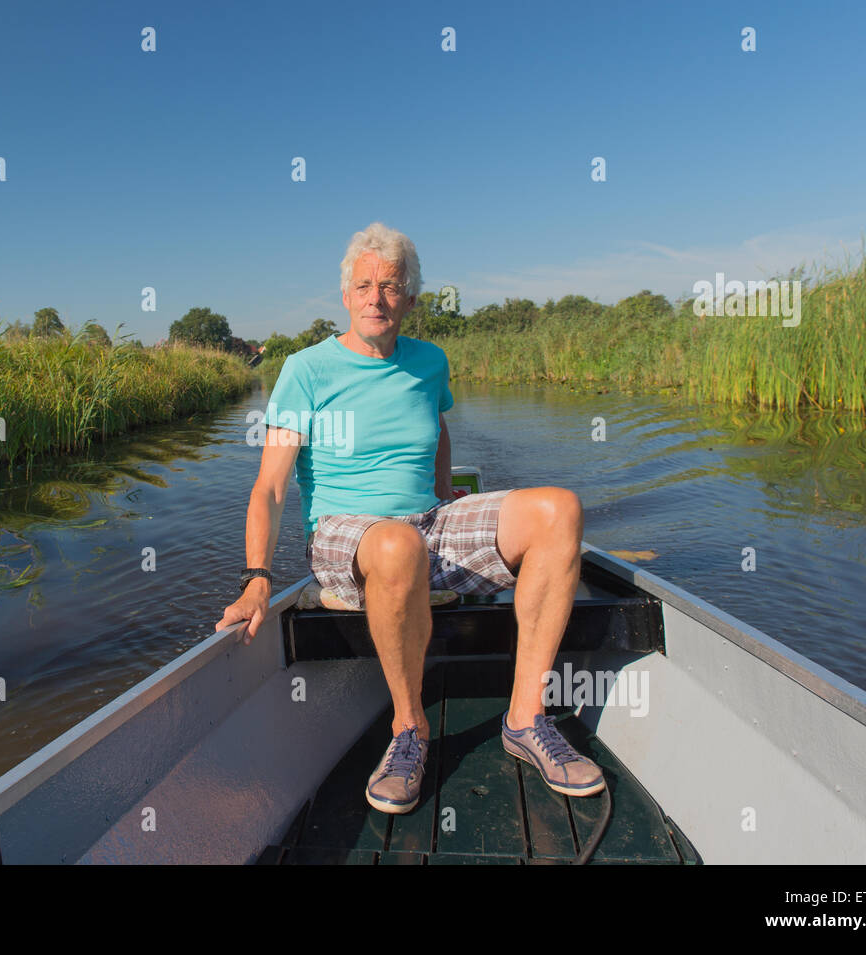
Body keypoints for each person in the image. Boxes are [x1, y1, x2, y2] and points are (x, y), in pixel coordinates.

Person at [215, 222, 604, 814]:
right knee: (398, 545)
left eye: (391, 286)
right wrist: (256, 578)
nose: (376, 298)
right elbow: (269, 486)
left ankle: (525, 718)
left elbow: (437, 429)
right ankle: (409, 730)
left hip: (427, 523)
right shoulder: (305, 369)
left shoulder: (430, 362)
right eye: (364, 285)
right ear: (346, 296)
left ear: (410, 300)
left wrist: (446, 498)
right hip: (344, 535)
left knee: (560, 511)